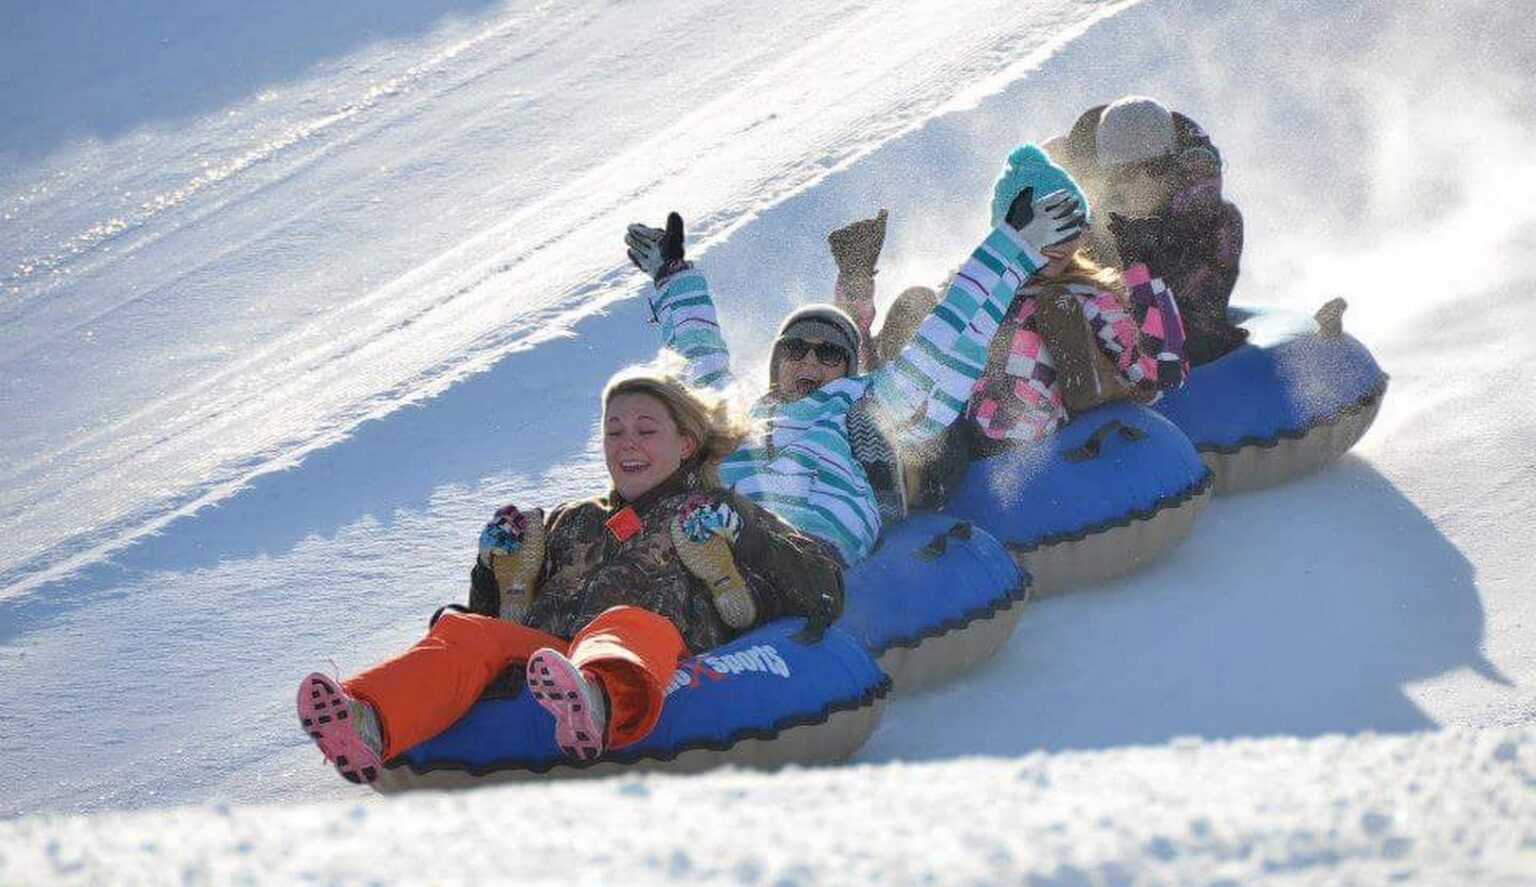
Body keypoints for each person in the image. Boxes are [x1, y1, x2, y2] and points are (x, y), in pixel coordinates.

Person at [297, 360, 843, 783]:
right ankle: (367, 722)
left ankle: (601, 700)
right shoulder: (571, 520)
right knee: (468, 630)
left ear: (686, 444)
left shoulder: (721, 510)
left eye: (646, 430)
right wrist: (490, 574)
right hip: (549, 661)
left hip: (659, 647)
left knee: (625, 622)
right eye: (614, 431)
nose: (626, 442)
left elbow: (824, 589)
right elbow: (495, 628)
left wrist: (744, 537)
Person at [623, 144, 1087, 562]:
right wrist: (672, 275)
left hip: (805, 541)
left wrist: (1013, 249)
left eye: (828, 356)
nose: (809, 361)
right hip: (710, 534)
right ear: (775, 361)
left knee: (730, 541)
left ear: (849, 368)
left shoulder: (863, 409)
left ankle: (728, 572)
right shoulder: (740, 418)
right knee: (626, 511)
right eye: (796, 349)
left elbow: (945, 342)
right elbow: (699, 364)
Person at [828, 150, 1189, 461]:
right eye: (1045, 229)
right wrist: (857, 315)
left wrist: (1145, 273)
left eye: (1070, 226)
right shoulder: (975, 293)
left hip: (1032, 437)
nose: (1059, 243)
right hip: (952, 434)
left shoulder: (1085, 295)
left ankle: (1088, 391)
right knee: (918, 305)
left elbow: (1158, 371)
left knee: (1055, 306)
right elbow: (907, 375)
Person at [1043, 95, 1247, 366]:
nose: (1140, 182)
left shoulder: (1213, 223)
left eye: (1154, 168)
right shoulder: (1093, 223)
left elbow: (1188, 332)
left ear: (1174, 169)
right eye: (1124, 173)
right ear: (1109, 178)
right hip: (1108, 361)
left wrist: (1142, 262)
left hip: (1194, 361)